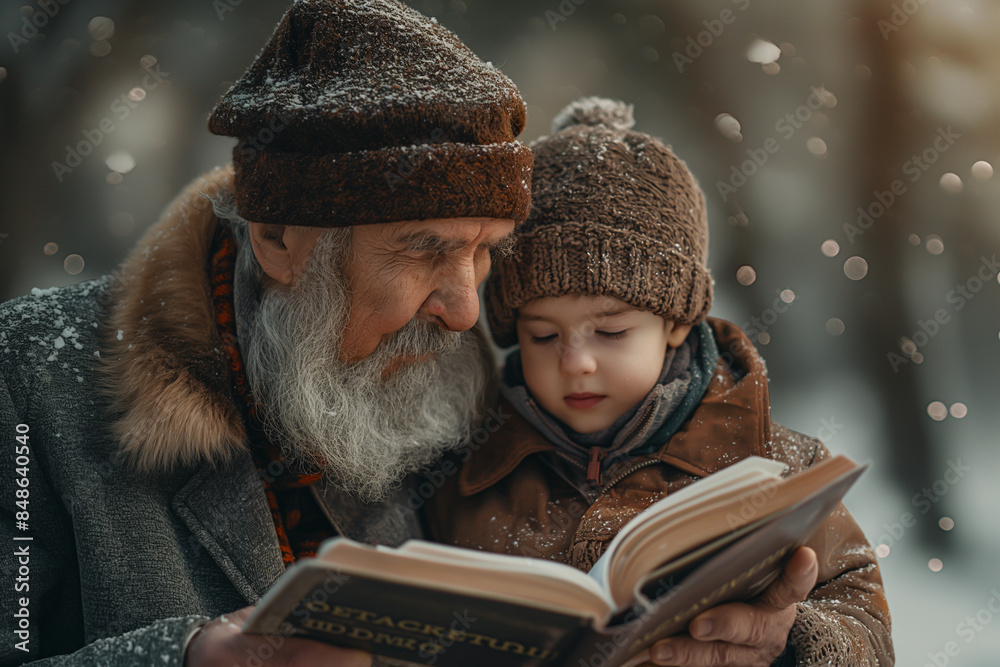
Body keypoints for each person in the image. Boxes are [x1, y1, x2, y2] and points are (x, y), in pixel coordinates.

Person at [0, 1, 533, 665]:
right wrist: (185, 657)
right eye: (425, 248)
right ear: (278, 239)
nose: (465, 311)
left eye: (484, 251)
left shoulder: (481, 383)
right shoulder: (31, 378)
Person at [423, 98, 894, 666]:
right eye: (543, 336)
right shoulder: (462, 475)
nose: (576, 363)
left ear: (675, 323)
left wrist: (793, 644)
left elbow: (865, 626)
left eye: (611, 332)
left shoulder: (780, 470)